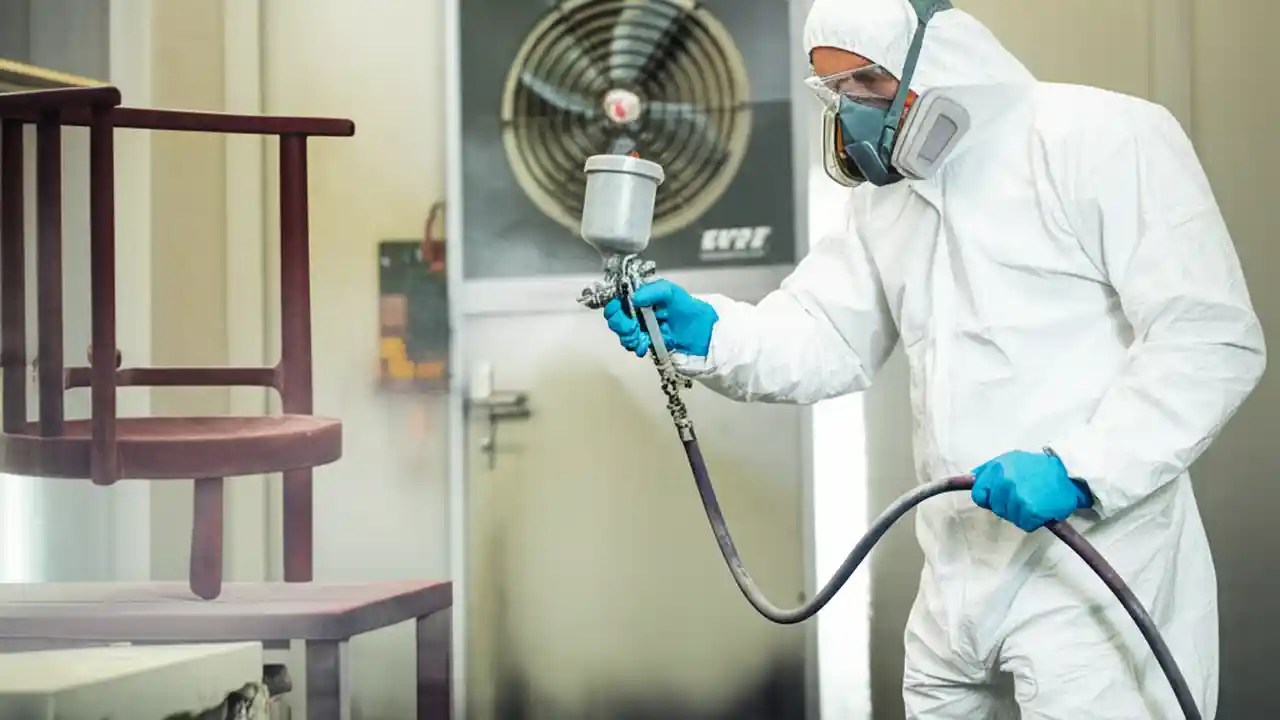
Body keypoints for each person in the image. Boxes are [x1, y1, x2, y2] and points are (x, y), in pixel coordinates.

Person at [601, 0, 1265, 717]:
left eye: (865, 85)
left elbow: (1209, 337)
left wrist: (1080, 469)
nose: (850, 112)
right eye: (834, 92)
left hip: (1094, 561)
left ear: (939, 67)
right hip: (956, 575)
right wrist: (711, 335)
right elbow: (825, 333)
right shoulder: (889, 204)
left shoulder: (1099, 139)